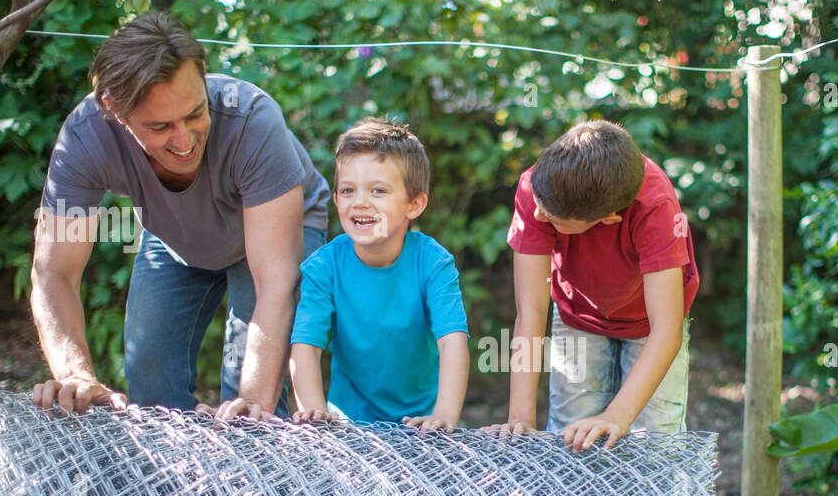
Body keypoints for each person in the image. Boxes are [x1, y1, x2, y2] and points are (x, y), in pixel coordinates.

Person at [29, 11, 331, 419]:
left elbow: (277, 281)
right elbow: (53, 271)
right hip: (174, 232)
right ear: (114, 111)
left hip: (274, 229)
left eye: (195, 114)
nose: (185, 140)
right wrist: (75, 375)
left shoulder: (253, 121)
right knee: (150, 383)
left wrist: (255, 403)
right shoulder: (83, 139)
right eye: (160, 127)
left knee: (248, 392)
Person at [483, 120, 699, 452]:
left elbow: (666, 328)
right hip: (578, 314)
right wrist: (521, 416)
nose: (539, 216)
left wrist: (617, 417)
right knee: (571, 437)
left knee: (654, 444)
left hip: (649, 325)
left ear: (609, 219)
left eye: (555, 221)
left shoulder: (655, 207)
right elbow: (531, 310)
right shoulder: (538, 190)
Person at [289, 118, 469, 430]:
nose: (359, 202)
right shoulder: (323, 267)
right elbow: (305, 344)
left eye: (378, 190)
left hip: (422, 420)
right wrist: (314, 409)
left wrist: (445, 413)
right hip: (348, 422)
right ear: (335, 199)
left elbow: (452, 341)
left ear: (414, 204)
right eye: (347, 190)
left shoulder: (433, 263)